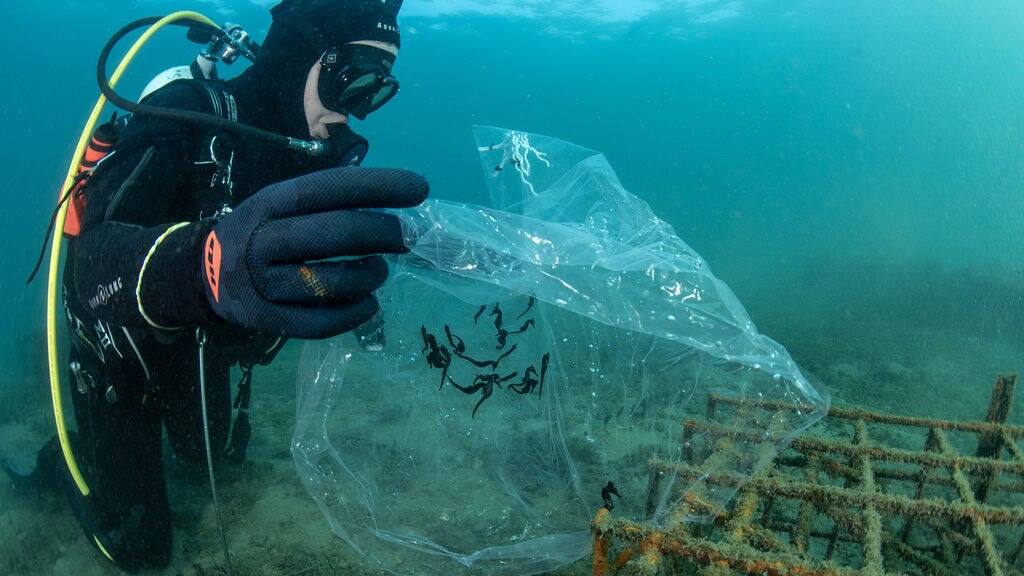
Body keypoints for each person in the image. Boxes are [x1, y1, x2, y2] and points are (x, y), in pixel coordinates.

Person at [5, 0, 427, 570]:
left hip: (195, 346)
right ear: (300, 55)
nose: (357, 111)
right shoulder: (187, 117)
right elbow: (90, 268)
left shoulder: (312, 156)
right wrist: (204, 264)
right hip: (119, 346)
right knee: (139, 547)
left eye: (378, 90)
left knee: (212, 460)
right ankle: (64, 462)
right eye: (353, 80)